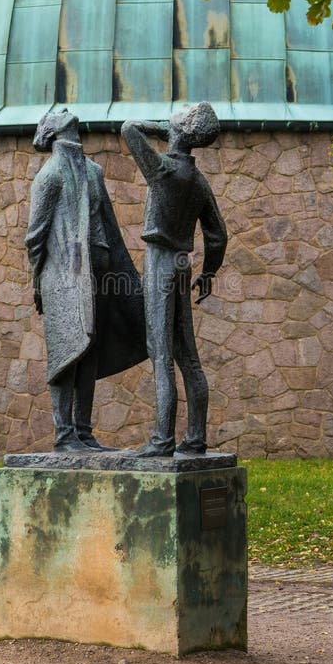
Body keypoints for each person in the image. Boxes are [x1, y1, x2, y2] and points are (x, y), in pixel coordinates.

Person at [26, 109, 147, 451]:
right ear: (51, 130)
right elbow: (35, 237)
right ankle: (64, 435)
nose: (65, 111)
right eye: (57, 113)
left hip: (101, 275)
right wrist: (37, 283)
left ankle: (83, 431)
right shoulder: (49, 176)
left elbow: (108, 225)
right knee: (66, 352)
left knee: (90, 348)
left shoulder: (93, 172)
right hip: (64, 278)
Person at [121, 102, 227, 457]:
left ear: (180, 129)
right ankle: (195, 438)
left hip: (161, 261)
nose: (174, 114)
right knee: (188, 355)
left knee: (161, 352)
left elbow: (129, 128)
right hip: (183, 263)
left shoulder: (163, 169)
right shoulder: (197, 180)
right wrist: (208, 272)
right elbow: (217, 235)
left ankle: (162, 439)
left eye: (180, 115)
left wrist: (165, 129)